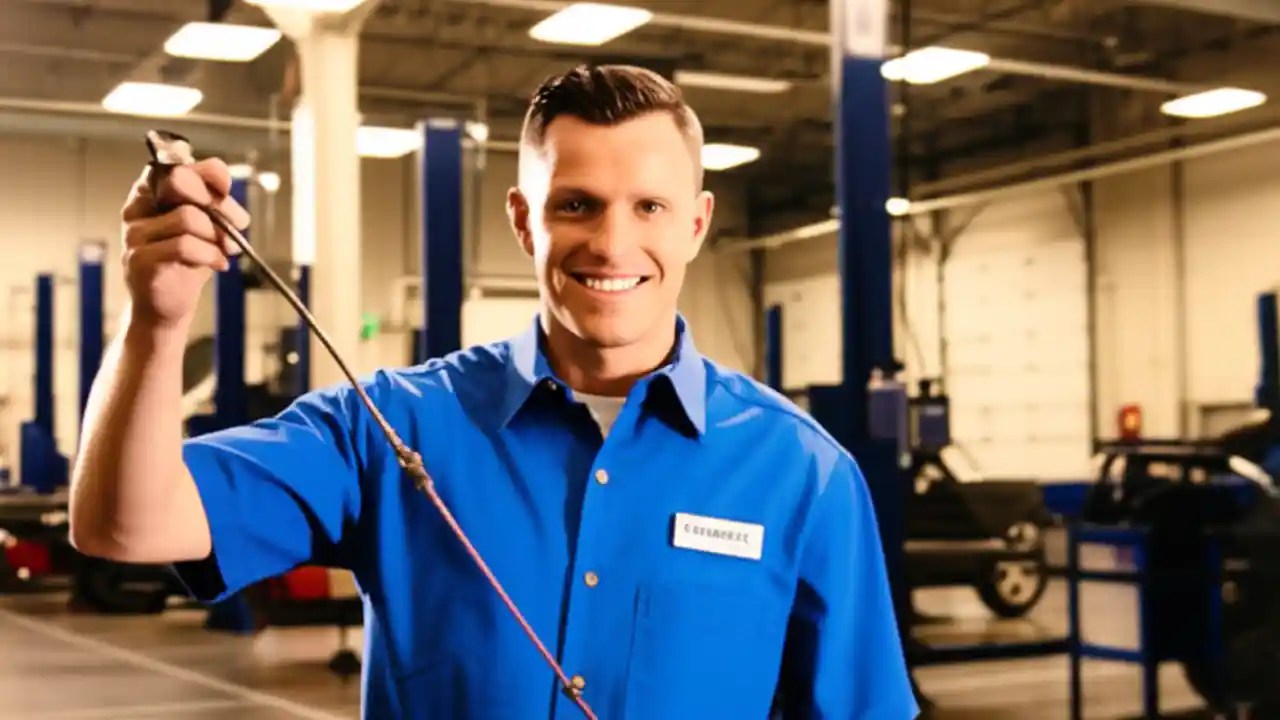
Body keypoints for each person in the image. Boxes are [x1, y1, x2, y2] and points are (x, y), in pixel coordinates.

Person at [69, 64, 917, 719]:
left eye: (649, 207)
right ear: (524, 219)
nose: (613, 243)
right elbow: (122, 523)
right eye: (578, 204)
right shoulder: (392, 425)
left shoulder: (802, 473)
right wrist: (156, 318)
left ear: (696, 223)